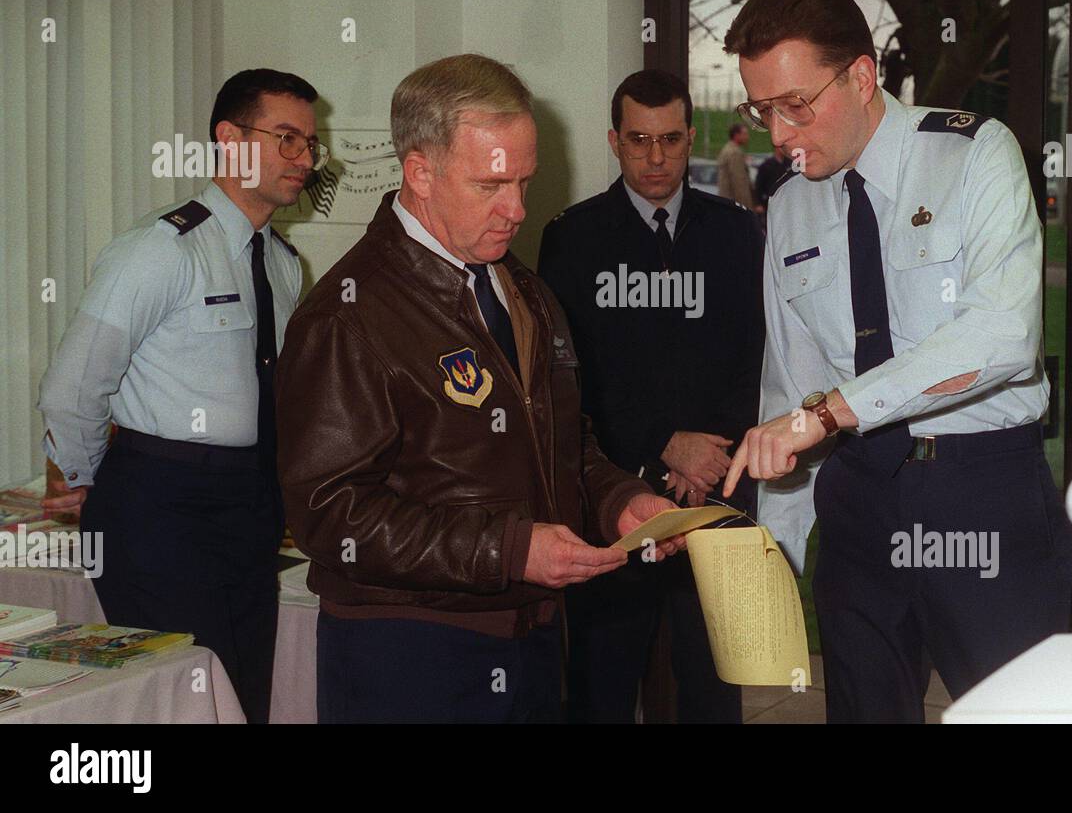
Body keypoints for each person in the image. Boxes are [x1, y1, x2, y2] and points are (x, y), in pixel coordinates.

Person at [274, 54, 684, 724]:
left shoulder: (520, 287)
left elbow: (563, 439)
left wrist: (618, 500)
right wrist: (509, 547)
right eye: (492, 184)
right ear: (420, 173)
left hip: (530, 636)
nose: (517, 208)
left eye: (524, 180)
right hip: (408, 654)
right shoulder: (348, 313)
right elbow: (330, 514)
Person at [719, 0, 1072, 723]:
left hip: (980, 492)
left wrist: (833, 413)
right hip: (858, 499)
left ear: (861, 75)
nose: (777, 134)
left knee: (1017, 712)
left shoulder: (974, 156)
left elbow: (1004, 333)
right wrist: (769, 567)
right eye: (762, 110)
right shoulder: (788, 208)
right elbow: (792, 395)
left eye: (795, 105)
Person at [37, 68, 322, 723]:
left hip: (247, 505)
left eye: (309, 143)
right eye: (286, 138)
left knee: (241, 696)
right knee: (188, 702)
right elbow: (73, 387)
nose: (303, 158)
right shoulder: (158, 250)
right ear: (229, 138)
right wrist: (83, 480)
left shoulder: (281, 262)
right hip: (160, 507)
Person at [538, 70, 765, 723]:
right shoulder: (574, 238)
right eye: (640, 140)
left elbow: (752, 355)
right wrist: (664, 440)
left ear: (692, 135)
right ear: (614, 140)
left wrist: (711, 455)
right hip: (613, 491)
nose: (657, 157)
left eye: (670, 139)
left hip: (715, 493)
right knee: (602, 686)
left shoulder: (733, 233)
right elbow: (571, 376)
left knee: (716, 682)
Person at [715, 123, 754, 209]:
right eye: (744, 134)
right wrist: (745, 208)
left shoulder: (727, 149)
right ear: (736, 135)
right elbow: (739, 182)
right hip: (733, 203)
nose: (747, 137)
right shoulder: (735, 153)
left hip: (726, 202)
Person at [754, 146, 791, 213]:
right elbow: (759, 185)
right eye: (782, 147)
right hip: (770, 202)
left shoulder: (790, 164)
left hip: (786, 202)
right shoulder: (766, 165)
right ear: (776, 148)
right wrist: (758, 203)